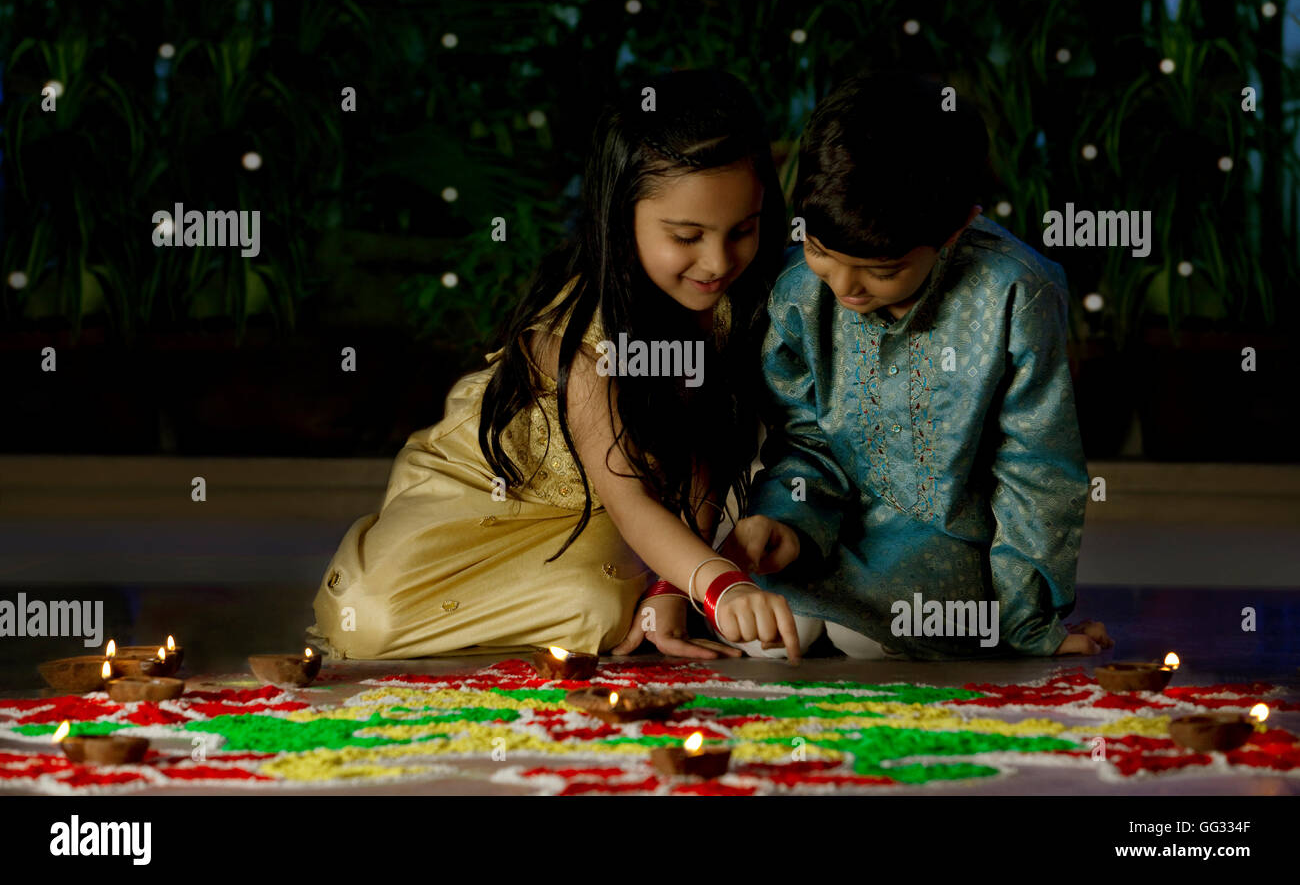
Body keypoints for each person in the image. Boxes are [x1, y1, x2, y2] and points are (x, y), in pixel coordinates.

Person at [309, 69, 803, 662]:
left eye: (742, 231)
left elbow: (699, 456)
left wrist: (674, 588)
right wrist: (720, 584)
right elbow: (634, 502)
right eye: (687, 235)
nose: (718, 261)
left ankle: (635, 574)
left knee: (598, 612)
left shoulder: (730, 308)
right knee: (366, 620)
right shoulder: (582, 343)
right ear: (622, 222)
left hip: (601, 517)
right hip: (489, 495)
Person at [719, 72, 1112, 660]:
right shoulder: (799, 291)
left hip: (945, 543)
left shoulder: (1016, 292)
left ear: (954, 229)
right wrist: (786, 521)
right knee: (772, 631)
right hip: (828, 534)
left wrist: (1028, 622)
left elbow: (1038, 468)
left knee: (873, 634)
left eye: (881, 271)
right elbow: (802, 439)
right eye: (822, 252)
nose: (845, 288)